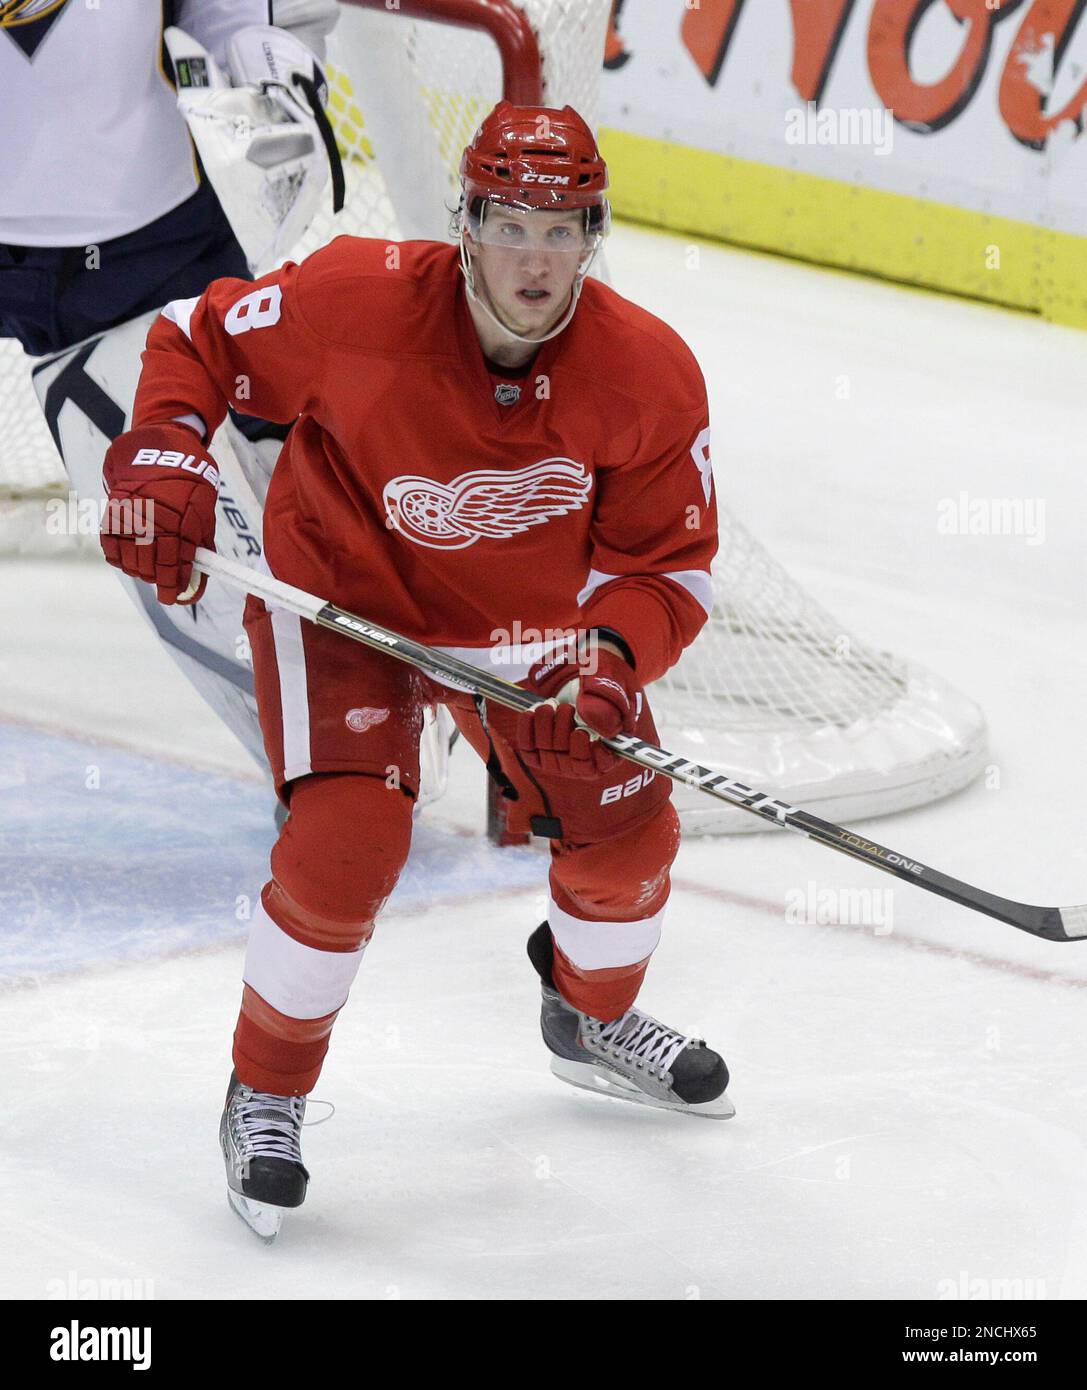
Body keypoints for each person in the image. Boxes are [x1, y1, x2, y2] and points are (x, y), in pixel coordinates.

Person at [100, 101, 731, 1241]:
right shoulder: (353, 299)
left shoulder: (647, 374)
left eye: (563, 229)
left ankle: (586, 1018)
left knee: (625, 829)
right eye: (509, 224)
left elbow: (670, 566)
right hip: (345, 600)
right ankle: (269, 1092)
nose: (535, 260)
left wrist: (610, 658)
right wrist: (161, 451)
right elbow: (196, 335)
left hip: (529, 638)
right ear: (466, 221)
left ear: (594, 232)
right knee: (349, 842)